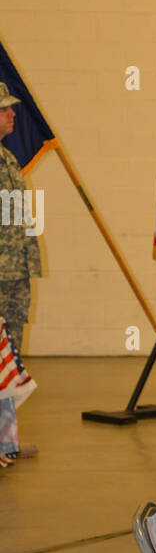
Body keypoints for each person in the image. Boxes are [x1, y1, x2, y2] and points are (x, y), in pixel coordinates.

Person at [0, 83, 40, 458]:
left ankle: (5, 442)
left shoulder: (8, 159)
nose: (13, 115)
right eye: (4, 110)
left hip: (13, 276)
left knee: (9, 360)